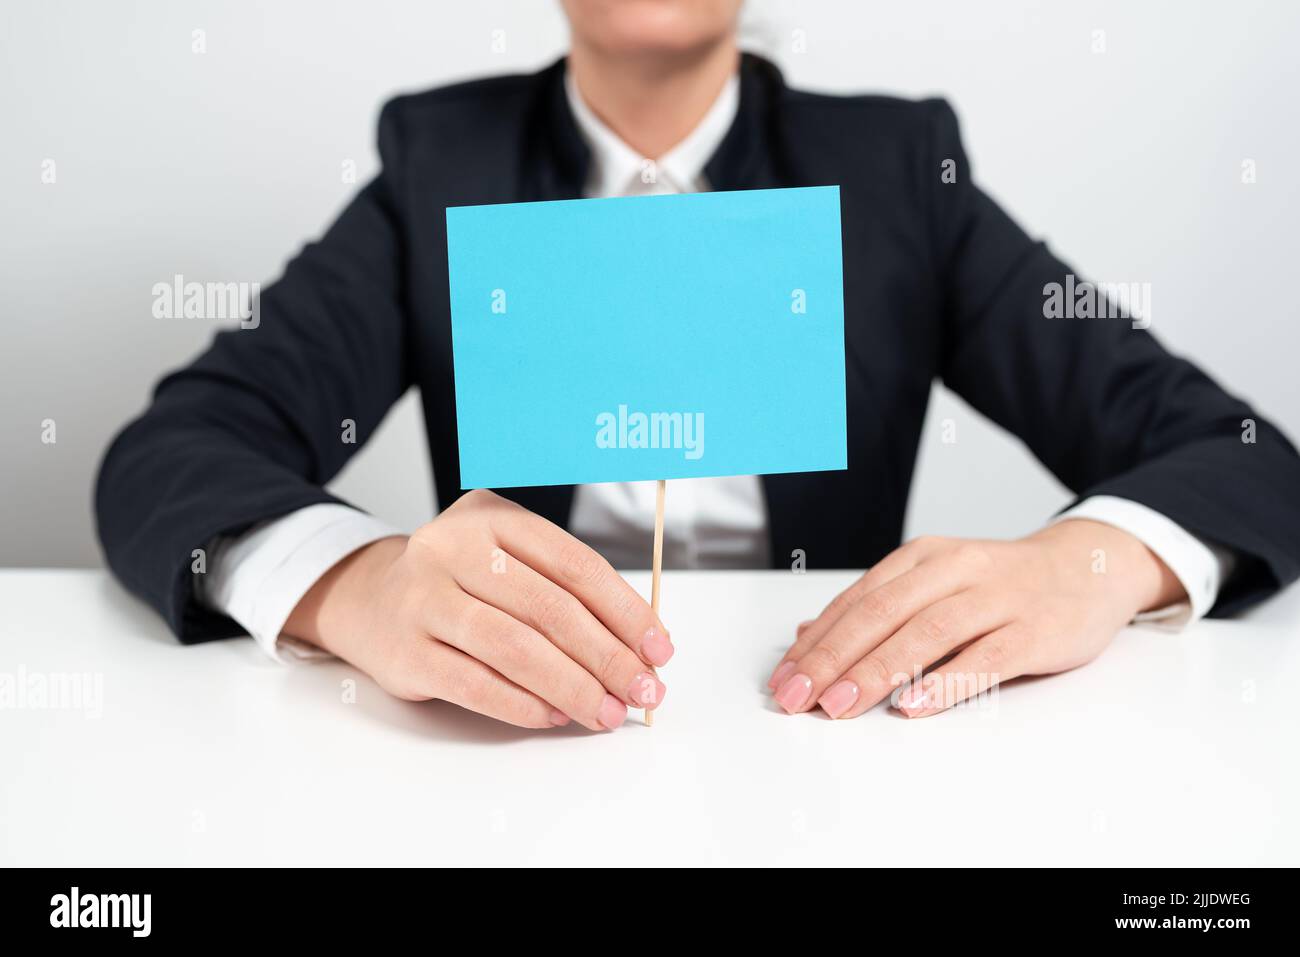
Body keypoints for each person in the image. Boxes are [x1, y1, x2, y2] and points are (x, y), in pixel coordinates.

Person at [96, 0, 1300, 730]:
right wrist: (353, 584)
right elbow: (172, 457)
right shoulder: (438, 163)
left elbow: (1241, 459)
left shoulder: (894, 171)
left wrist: (1085, 567)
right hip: (514, 760)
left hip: (815, 738)